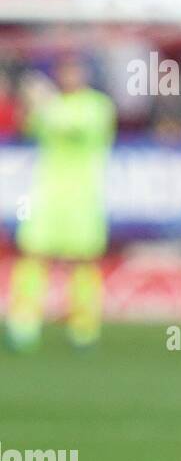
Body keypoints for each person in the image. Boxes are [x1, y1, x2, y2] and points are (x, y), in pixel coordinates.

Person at [5, 57, 116, 352]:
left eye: (74, 69)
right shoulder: (48, 105)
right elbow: (24, 126)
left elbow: (72, 128)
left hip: (83, 198)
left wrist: (43, 99)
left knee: (83, 263)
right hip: (47, 195)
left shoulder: (97, 106)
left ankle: (84, 330)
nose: (69, 76)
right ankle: (22, 325)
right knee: (32, 258)